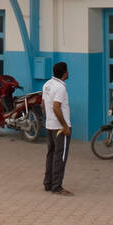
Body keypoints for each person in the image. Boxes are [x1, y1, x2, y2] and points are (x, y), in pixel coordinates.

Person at [41, 61, 73, 195]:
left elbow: (43, 104)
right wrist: (65, 126)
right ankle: (57, 186)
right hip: (60, 127)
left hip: (50, 125)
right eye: (67, 70)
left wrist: (48, 119)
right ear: (64, 73)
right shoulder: (60, 88)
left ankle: (48, 183)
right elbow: (56, 107)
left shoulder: (47, 84)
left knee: (51, 154)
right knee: (60, 156)